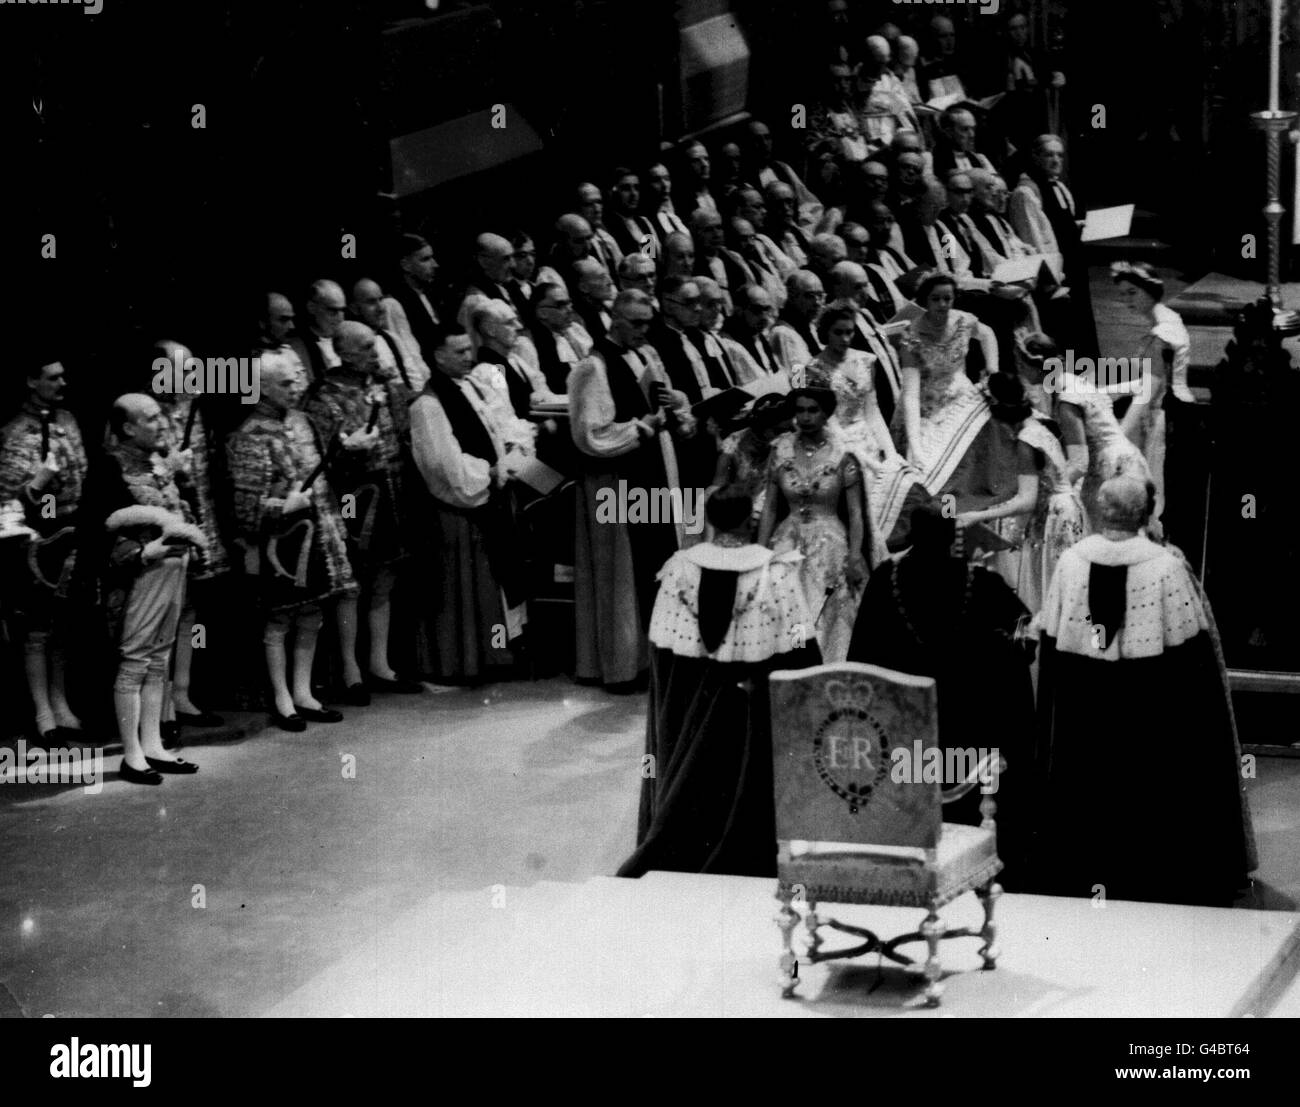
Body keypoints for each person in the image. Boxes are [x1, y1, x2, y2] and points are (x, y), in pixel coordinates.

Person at [1032, 476, 1257, 905]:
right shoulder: (1166, 566)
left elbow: (1053, 643)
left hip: (1085, 700)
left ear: (1100, 509)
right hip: (1148, 702)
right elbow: (1193, 660)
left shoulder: (1071, 562)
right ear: (1144, 513)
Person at [617, 488, 820, 879]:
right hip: (750, 701)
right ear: (750, 520)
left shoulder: (678, 569)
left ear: (710, 520)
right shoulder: (775, 572)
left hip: (691, 698)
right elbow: (798, 643)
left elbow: (661, 647)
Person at [846, 503, 1035, 883]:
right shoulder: (980, 580)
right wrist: (990, 650)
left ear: (912, 537)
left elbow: (861, 654)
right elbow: (1024, 632)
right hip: (967, 721)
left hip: (902, 722)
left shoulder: (886, 578)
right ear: (952, 536)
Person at [569, 290, 695, 690]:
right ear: (615, 321)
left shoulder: (645, 355)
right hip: (617, 479)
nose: (645, 330)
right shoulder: (592, 367)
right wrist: (642, 426)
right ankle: (625, 665)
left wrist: (676, 405)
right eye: (636, 323)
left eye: (648, 322)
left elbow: (666, 408)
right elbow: (592, 435)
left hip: (655, 467)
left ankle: (656, 657)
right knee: (622, 573)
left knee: (657, 563)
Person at [81, 394, 209, 783]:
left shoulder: (157, 464)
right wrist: (142, 553)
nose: (161, 424)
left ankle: (153, 745)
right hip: (141, 575)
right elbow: (96, 529)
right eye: (150, 419)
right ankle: (132, 753)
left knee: (158, 659)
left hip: (172, 569)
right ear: (127, 428)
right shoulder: (109, 468)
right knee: (136, 658)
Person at [227, 351, 356, 730]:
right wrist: (284, 505)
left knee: (312, 613)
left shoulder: (297, 423)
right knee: (279, 618)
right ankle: (281, 696)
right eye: (284, 383)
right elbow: (246, 506)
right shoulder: (249, 434)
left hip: (308, 536)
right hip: (277, 542)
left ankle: (303, 691)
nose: (295, 387)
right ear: (262, 388)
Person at [302, 321, 421, 704]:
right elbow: (318, 455)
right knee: (351, 583)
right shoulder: (323, 396)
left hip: (391, 491)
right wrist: (347, 449)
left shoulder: (383, 385)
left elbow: (404, 428)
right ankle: (349, 671)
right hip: (351, 497)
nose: (376, 354)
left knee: (385, 578)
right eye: (368, 348)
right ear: (346, 351)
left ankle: (379, 663)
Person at [408, 325, 529, 683]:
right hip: (461, 508)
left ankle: (500, 651)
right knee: (471, 589)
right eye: (459, 352)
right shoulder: (428, 405)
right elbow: (445, 468)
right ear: (436, 356)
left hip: (492, 495)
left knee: (497, 584)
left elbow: (495, 430)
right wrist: (489, 472)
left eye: (468, 349)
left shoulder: (472, 386)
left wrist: (510, 458)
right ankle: (470, 659)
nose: (469, 357)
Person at [0, 358, 89, 742]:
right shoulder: (15, 432)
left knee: (62, 624)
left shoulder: (67, 421)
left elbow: (82, 473)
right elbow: (8, 497)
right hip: (35, 534)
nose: (62, 383)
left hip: (68, 528)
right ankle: (42, 713)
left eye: (63, 375)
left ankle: (60, 702)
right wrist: (39, 484)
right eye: (53, 377)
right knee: (36, 626)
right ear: (31, 381)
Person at [150, 340, 230, 739]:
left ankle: (182, 691)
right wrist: (169, 467)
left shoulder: (196, 413)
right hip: (164, 529)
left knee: (191, 614)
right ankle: (159, 702)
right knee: (163, 614)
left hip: (200, 521)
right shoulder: (145, 414)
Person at [756, 387, 866, 663]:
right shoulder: (780, 451)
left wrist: (854, 556)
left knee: (831, 617)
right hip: (787, 542)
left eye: (812, 410)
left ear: (827, 414)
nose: (805, 417)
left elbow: (855, 513)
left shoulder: (843, 454)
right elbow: (770, 507)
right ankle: (795, 671)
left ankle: (830, 670)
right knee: (790, 613)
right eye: (800, 410)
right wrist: (758, 553)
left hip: (831, 545)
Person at [803, 306, 912, 559]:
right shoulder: (812, 369)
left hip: (867, 438)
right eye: (837, 332)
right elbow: (826, 422)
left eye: (849, 332)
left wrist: (890, 452)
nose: (844, 338)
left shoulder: (866, 360)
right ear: (824, 333)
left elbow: (872, 411)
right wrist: (861, 458)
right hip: (836, 444)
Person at [972, 371, 1084, 616]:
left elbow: (1026, 501)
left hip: (1054, 516)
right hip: (1066, 509)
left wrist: (975, 517)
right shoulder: (1038, 426)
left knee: (1050, 590)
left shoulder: (1026, 440)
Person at [895, 272, 999, 497]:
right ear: (925, 300)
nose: (942, 304)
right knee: (929, 469)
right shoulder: (911, 336)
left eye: (947, 298)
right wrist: (915, 442)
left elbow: (988, 334)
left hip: (961, 394)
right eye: (936, 299)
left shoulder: (963, 320)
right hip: (925, 404)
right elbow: (911, 394)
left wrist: (992, 369)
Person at [1111, 261, 1192, 541]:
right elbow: (1148, 381)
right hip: (1165, 407)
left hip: (1166, 415)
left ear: (1150, 290)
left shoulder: (1162, 334)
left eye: (1132, 293)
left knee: (1156, 488)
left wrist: (1118, 436)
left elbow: (1148, 391)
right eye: (1123, 294)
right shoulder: (1167, 319)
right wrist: (1109, 390)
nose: (1126, 301)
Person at [1053, 350, 1153, 534]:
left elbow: (1079, 463)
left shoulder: (1068, 398)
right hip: (1130, 458)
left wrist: (1050, 490)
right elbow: (1143, 386)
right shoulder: (1084, 387)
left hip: (1108, 466)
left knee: (1099, 530)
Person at [709, 395, 794, 537]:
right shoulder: (733, 445)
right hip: (735, 517)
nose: (785, 436)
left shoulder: (787, 446)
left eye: (788, 430)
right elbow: (716, 491)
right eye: (778, 431)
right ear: (763, 424)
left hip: (775, 515)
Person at [292, 279, 346, 381]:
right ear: (311, 307)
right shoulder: (297, 347)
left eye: (342, 310)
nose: (340, 318)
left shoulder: (350, 339)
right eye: (333, 310)